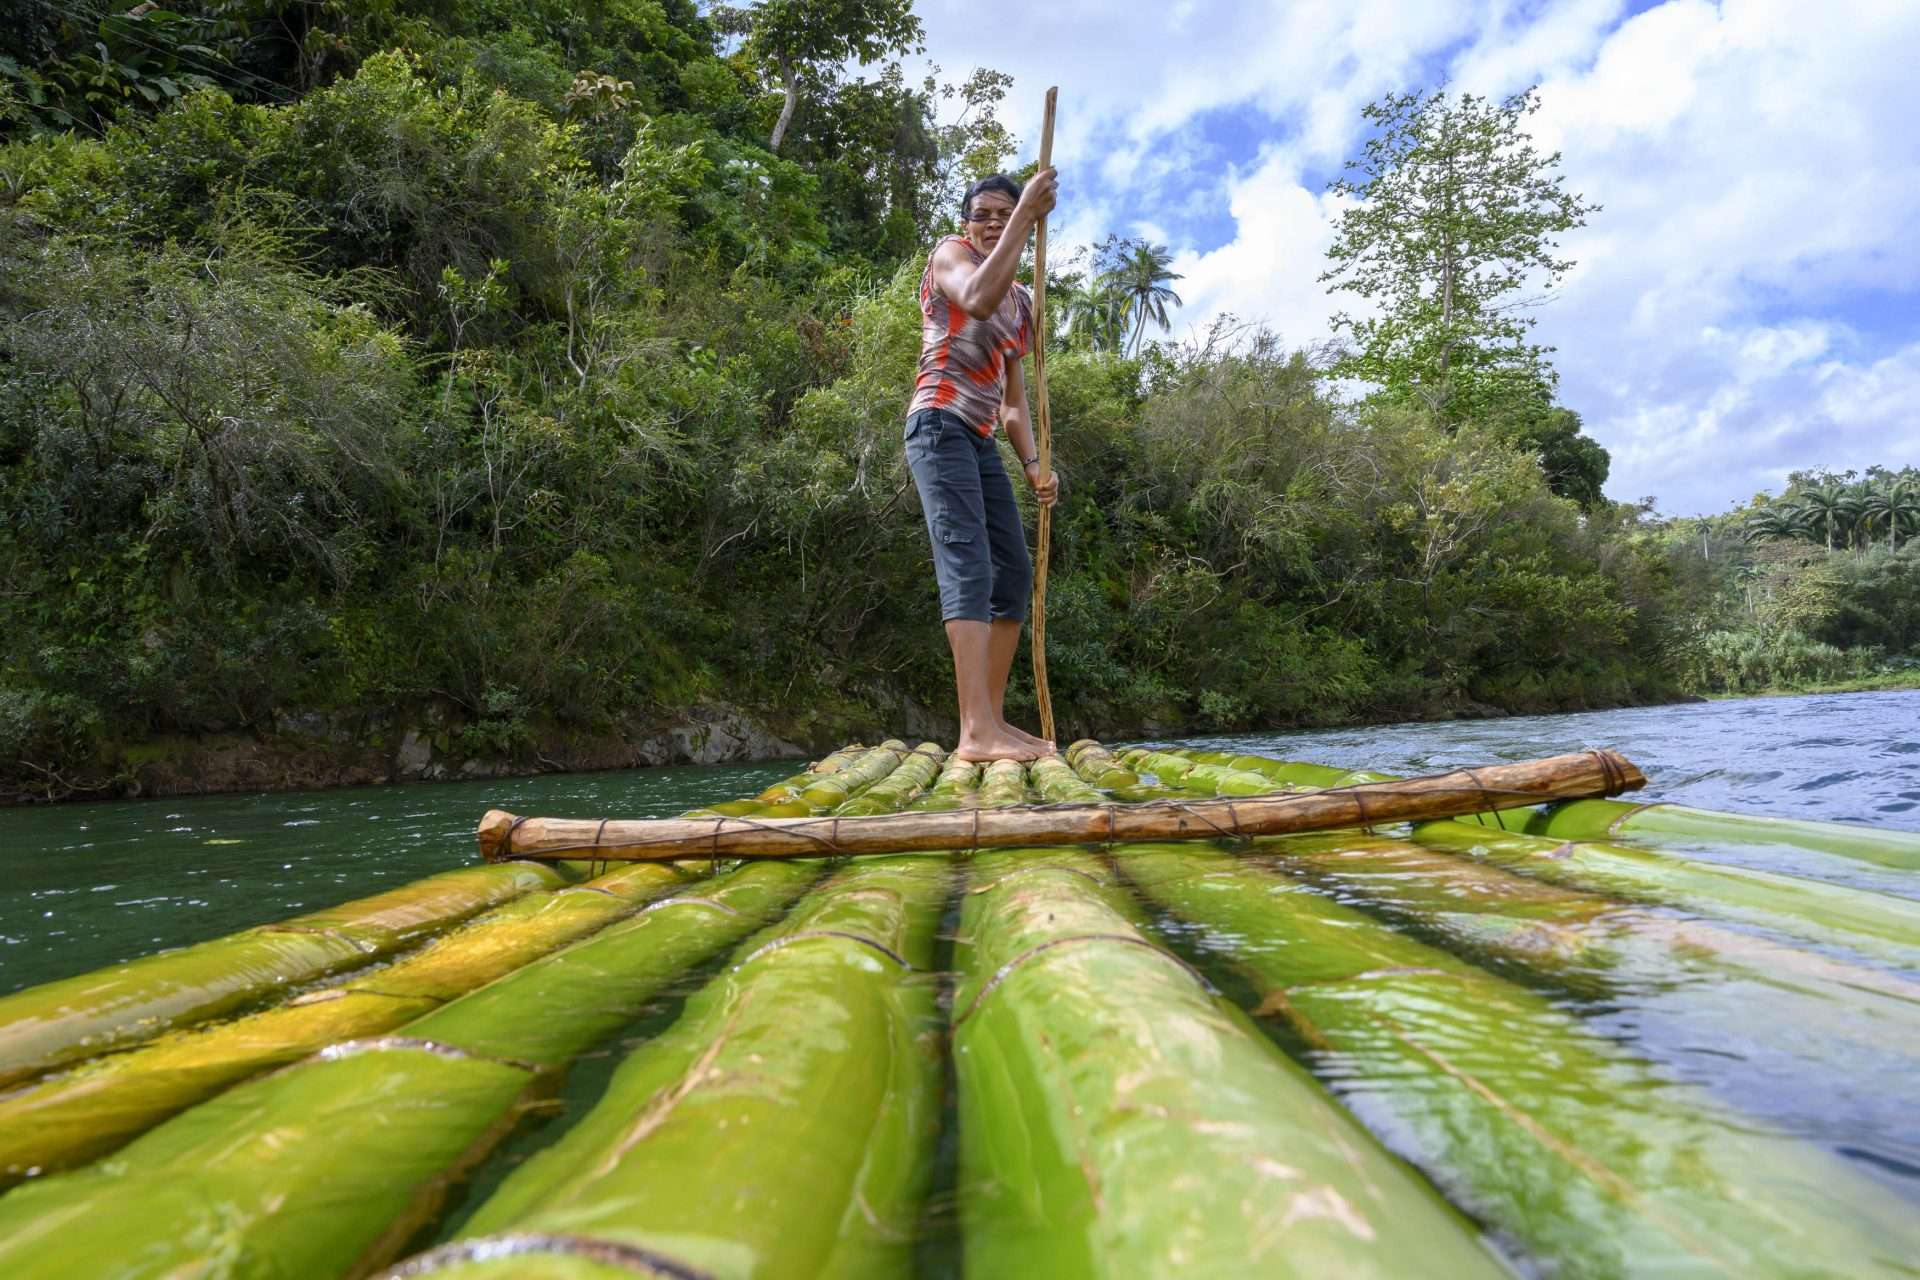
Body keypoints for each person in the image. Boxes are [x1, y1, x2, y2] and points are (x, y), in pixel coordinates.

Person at [903, 169, 1061, 762]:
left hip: (979, 436)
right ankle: (974, 733)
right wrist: (1027, 214)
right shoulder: (952, 255)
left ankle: (991, 719)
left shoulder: (1022, 303)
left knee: (1013, 572)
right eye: (983, 215)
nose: (993, 223)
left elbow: (1013, 401)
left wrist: (1035, 467)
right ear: (966, 222)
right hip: (938, 423)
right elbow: (975, 297)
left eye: (1006, 213)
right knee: (968, 566)